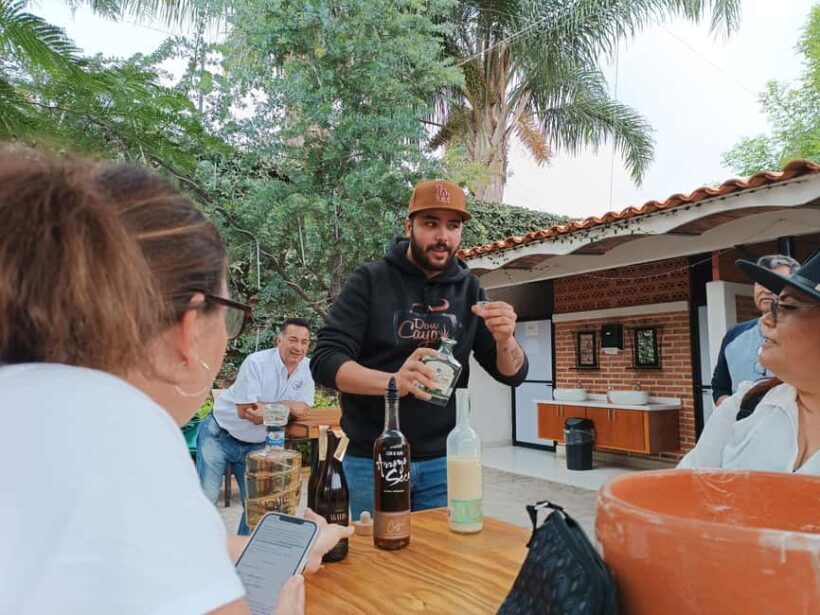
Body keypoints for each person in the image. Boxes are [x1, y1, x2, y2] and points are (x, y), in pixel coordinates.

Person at [0, 151, 351, 614]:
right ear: (189, 327)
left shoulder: (35, 408)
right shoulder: (121, 431)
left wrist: (293, 550)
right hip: (225, 436)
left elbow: (160, 541)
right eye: (229, 314)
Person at [310, 179, 529, 518]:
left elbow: (512, 375)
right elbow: (325, 361)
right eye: (431, 223)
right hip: (371, 459)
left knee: (442, 563)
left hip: (444, 461)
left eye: (453, 226)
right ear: (409, 225)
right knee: (372, 565)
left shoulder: (470, 290)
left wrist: (506, 339)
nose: (443, 236)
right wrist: (394, 382)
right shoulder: (370, 281)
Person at [680, 251, 820, 474]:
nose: (767, 320)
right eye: (775, 306)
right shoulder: (749, 403)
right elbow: (687, 483)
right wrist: (731, 412)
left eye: (787, 306)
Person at [197, 318, 315, 535]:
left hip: (257, 446)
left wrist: (270, 409)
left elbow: (303, 409)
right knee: (206, 500)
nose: (298, 347)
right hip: (219, 436)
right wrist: (287, 408)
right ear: (278, 340)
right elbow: (248, 413)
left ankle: (243, 555)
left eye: (304, 342)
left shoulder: (307, 368)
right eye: (292, 340)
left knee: (257, 507)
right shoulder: (256, 363)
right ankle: (199, 557)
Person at [711, 254, 800, 406]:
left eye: (773, 282)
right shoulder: (734, 335)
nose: (765, 289)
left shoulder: (808, 336)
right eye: (760, 283)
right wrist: (734, 411)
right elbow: (720, 386)